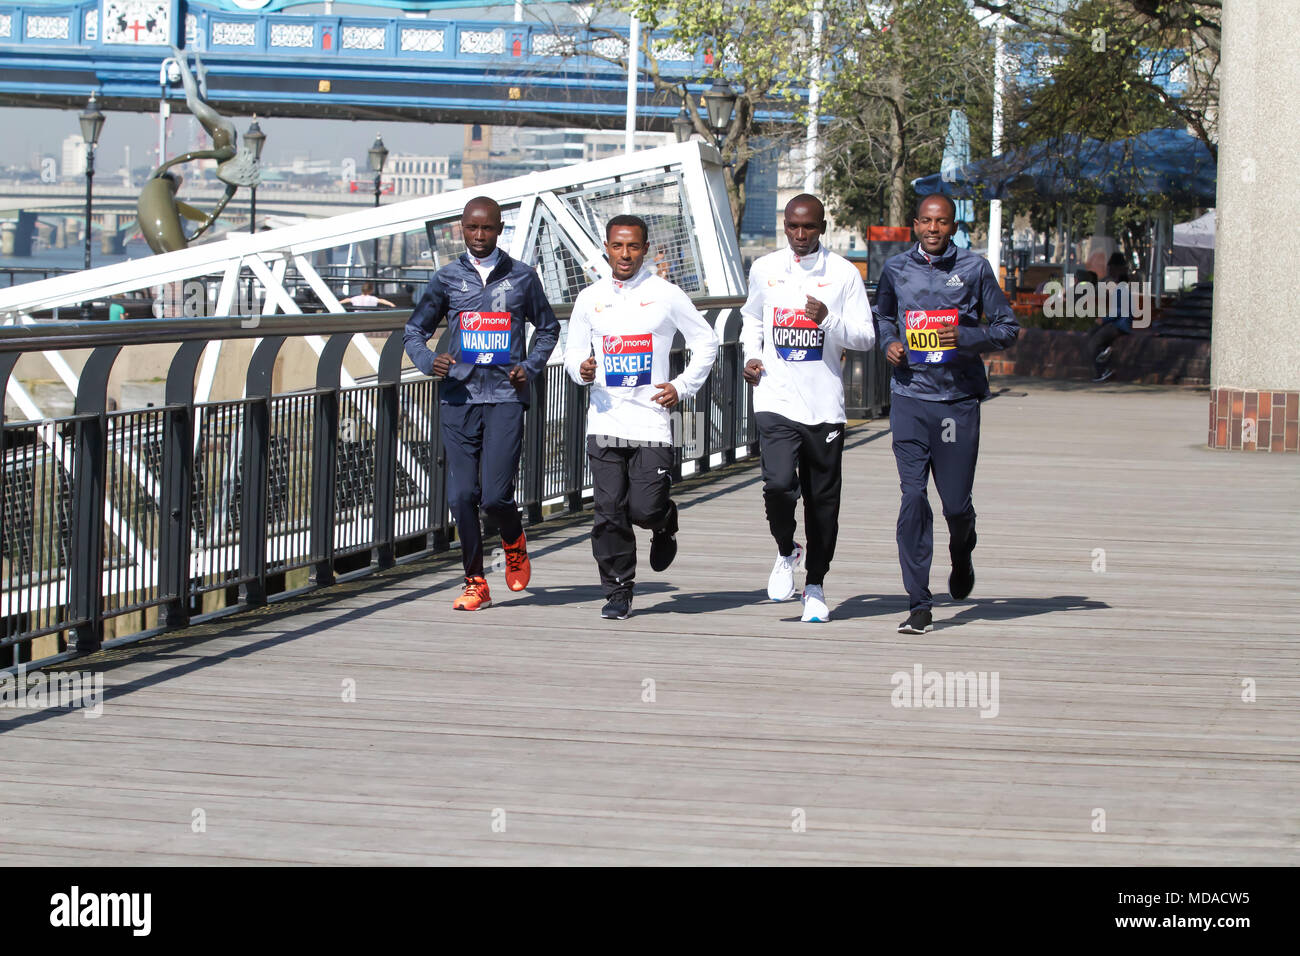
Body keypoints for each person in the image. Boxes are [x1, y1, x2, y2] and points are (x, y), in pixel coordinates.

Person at [404, 196, 560, 610]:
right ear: (461, 227)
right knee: (460, 496)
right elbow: (413, 331)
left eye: (487, 228)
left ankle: (513, 539)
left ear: (499, 229)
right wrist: (427, 361)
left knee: (494, 497)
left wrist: (531, 365)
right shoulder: (445, 279)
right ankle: (475, 581)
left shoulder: (524, 278)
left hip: (507, 396)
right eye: (471, 228)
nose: (478, 235)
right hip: (459, 396)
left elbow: (547, 329)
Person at [874, 194, 1020, 634]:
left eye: (942, 223)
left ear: (952, 227)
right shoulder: (895, 269)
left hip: (957, 404)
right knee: (913, 498)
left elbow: (1006, 328)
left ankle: (962, 549)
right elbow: (882, 316)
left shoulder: (974, 269)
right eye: (926, 221)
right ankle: (919, 603)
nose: (933, 229)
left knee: (954, 506)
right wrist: (889, 344)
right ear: (915, 224)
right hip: (910, 399)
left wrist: (965, 336)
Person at [564, 215, 718, 620]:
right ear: (607, 247)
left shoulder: (666, 295)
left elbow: (707, 341)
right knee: (609, 510)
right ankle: (618, 589)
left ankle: (664, 520)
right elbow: (573, 352)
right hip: (605, 419)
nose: (625, 254)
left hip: (651, 420)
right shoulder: (589, 298)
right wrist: (580, 369)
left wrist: (682, 387)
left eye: (633, 246)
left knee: (643, 510)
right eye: (618, 246)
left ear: (645, 249)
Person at [740, 194, 876, 622]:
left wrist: (828, 320)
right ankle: (786, 550)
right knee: (778, 485)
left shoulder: (843, 274)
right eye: (793, 227)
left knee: (822, 502)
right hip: (775, 397)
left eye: (809, 228)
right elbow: (752, 318)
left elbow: (866, 338)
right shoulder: (765, 269)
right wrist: (750, 354)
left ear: (822, 228)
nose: (800, 236)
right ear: (785, 225)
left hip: (824, 407)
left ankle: (815, 585)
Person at [1088, 252, 1133, 382]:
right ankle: (1105, 350)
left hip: (1118, 325)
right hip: (1119, 324)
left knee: (1093, 343)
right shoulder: (1124, 291)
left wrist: (1104, 319)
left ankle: (1101, 372)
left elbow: (1118, 311)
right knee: (1093, 333)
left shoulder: (1121, 291)